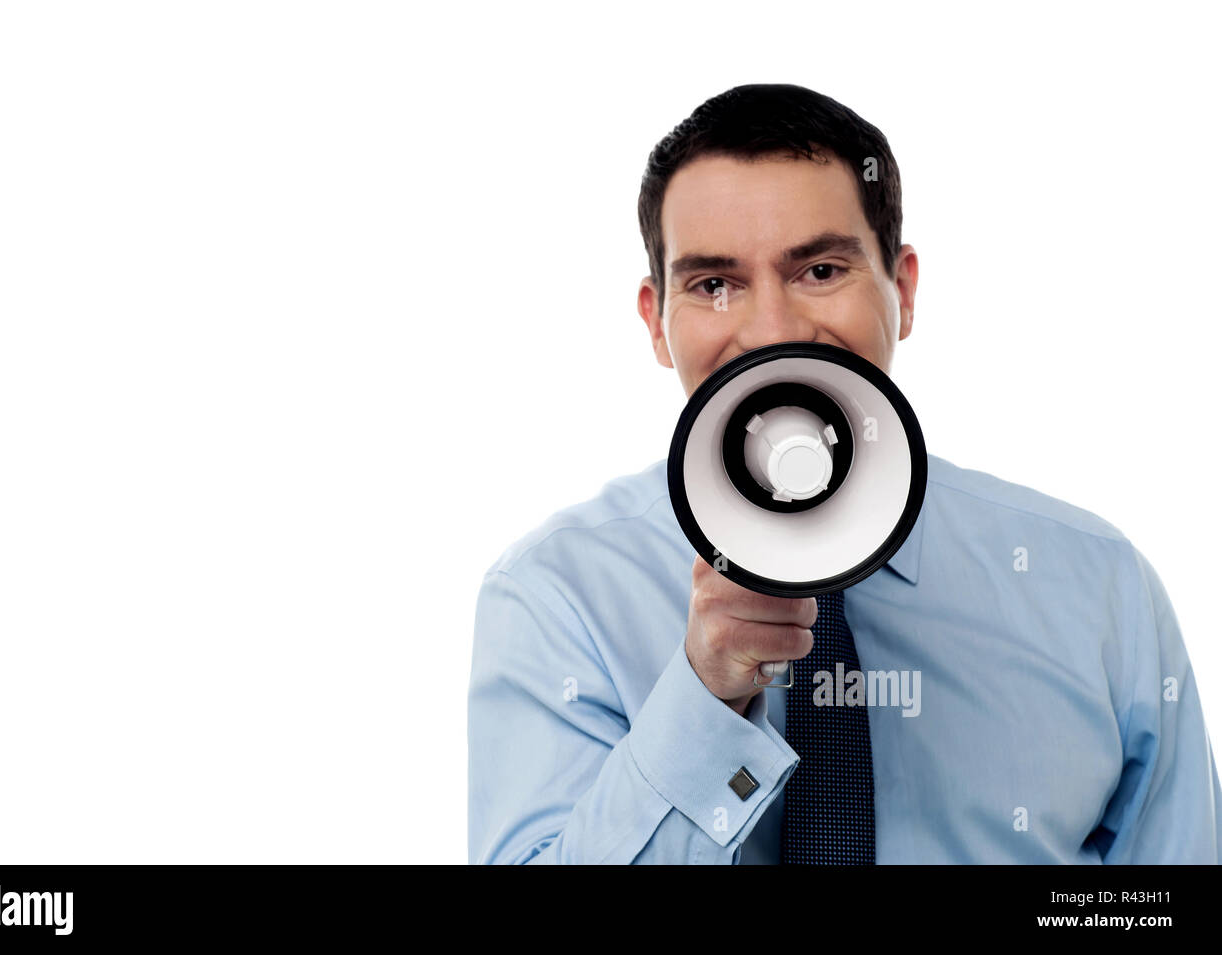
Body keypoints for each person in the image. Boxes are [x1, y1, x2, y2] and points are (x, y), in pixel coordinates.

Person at [467, 84, 1222, 864]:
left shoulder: (1099, 588)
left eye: (821, 270)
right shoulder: (556, 595)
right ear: (658, 322)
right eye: (714, 285)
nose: (774, 331)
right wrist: (704, 697)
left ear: (903, 291)